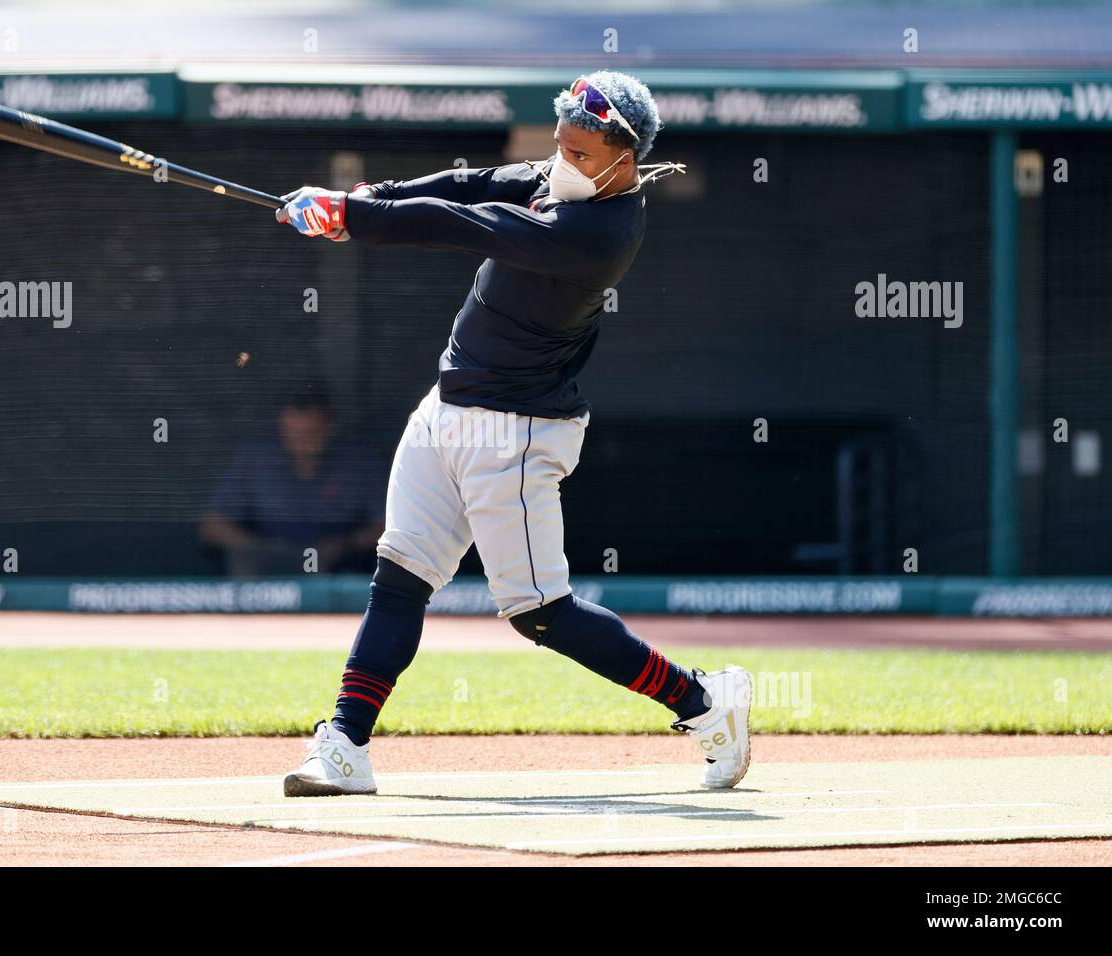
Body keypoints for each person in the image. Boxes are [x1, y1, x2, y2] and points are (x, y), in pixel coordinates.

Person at [273, 72, 752, 796]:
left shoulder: (598, 232)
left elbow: (467, 225)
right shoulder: (561, 181)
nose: (562, 162)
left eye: (581, 152)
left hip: (519, 436)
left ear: (624, 158)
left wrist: (351, 215)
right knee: (399, 579)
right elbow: (468, 186)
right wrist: (371, 199)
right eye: (560, 146)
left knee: (538, 614)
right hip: (446, 412)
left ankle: (706, 704)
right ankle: (343, 745)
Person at [199, 387, 384, 576]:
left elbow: (389, 526)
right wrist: (262, 549)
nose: (302, 441)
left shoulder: (360, 463)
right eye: (293, 433)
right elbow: (213, 526)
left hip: (344, 572)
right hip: (267, 576)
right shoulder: (255, 461)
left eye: (311, 433)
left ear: (330, 427)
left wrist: (346, 544)